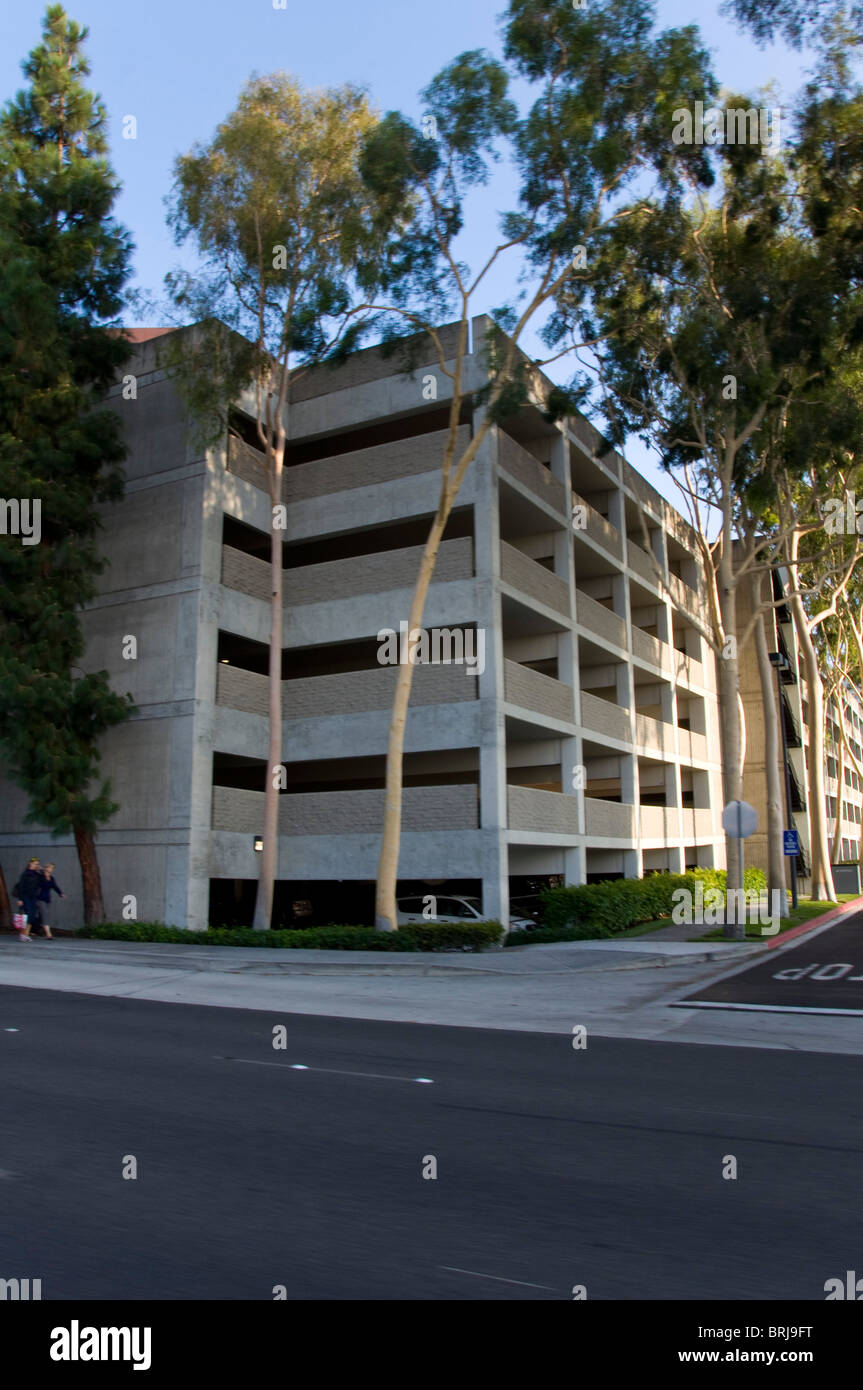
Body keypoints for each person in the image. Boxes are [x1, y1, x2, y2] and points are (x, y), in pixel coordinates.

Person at [13, 857, 43, 942]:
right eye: (35, 864)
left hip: (33, 897)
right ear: (30, 864)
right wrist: (20, 899)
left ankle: (25, 934)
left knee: (32, 916)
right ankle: (23, 934)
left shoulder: (37, 874)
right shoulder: (25, 874)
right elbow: (21, 887)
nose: (36, 865)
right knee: (26, 915)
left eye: (37, 864)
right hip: (25, 897)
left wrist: (41, 871)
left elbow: (43, 881)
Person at [36, 863, 64, 939]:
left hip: (47, 899)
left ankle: (32, 930)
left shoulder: (51, 878)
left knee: (41, 916)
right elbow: (38, 881)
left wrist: (60, 893)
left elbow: (55, 887)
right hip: (39, 898)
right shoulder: (40, 877)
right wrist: (41, 870)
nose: (51, 869)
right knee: (45, 915)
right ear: (46, 868)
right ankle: (48, 934)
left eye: (52, 868)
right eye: (50, 867)